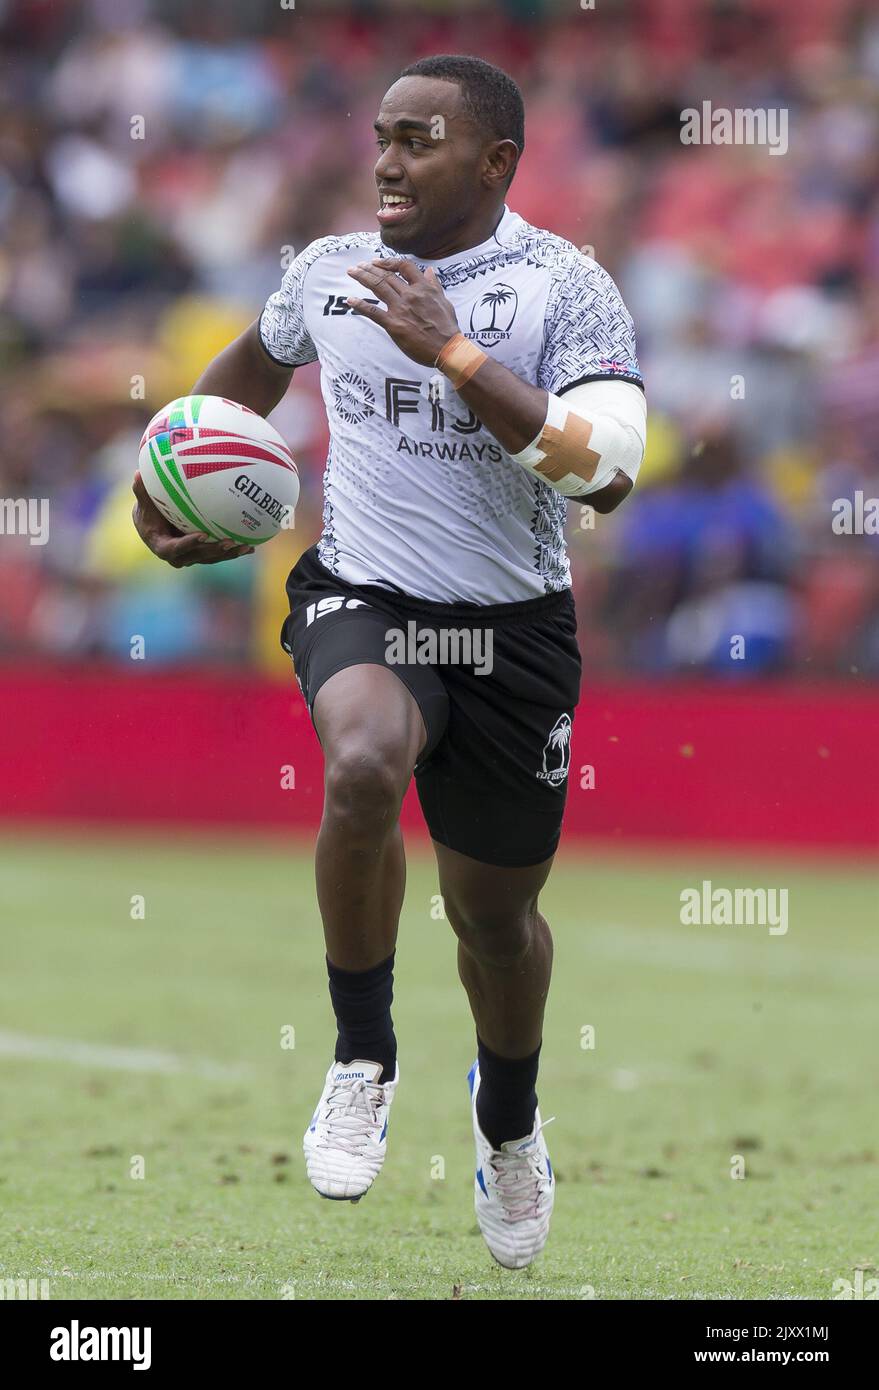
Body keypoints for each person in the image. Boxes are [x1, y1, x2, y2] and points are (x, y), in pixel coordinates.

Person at [132, 54, 646, 1270]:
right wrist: (180, 482)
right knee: (363, 763)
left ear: (496, 161)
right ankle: (362, 1054)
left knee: (496, 921)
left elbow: (607, 471)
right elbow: (244, 381)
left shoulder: (565, 289)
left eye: (419, 139)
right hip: (362, 594)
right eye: (381, 136)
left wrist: (455, 356)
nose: (387, 161)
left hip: (513, 632)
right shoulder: (324, 272)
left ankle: (509, 1123)